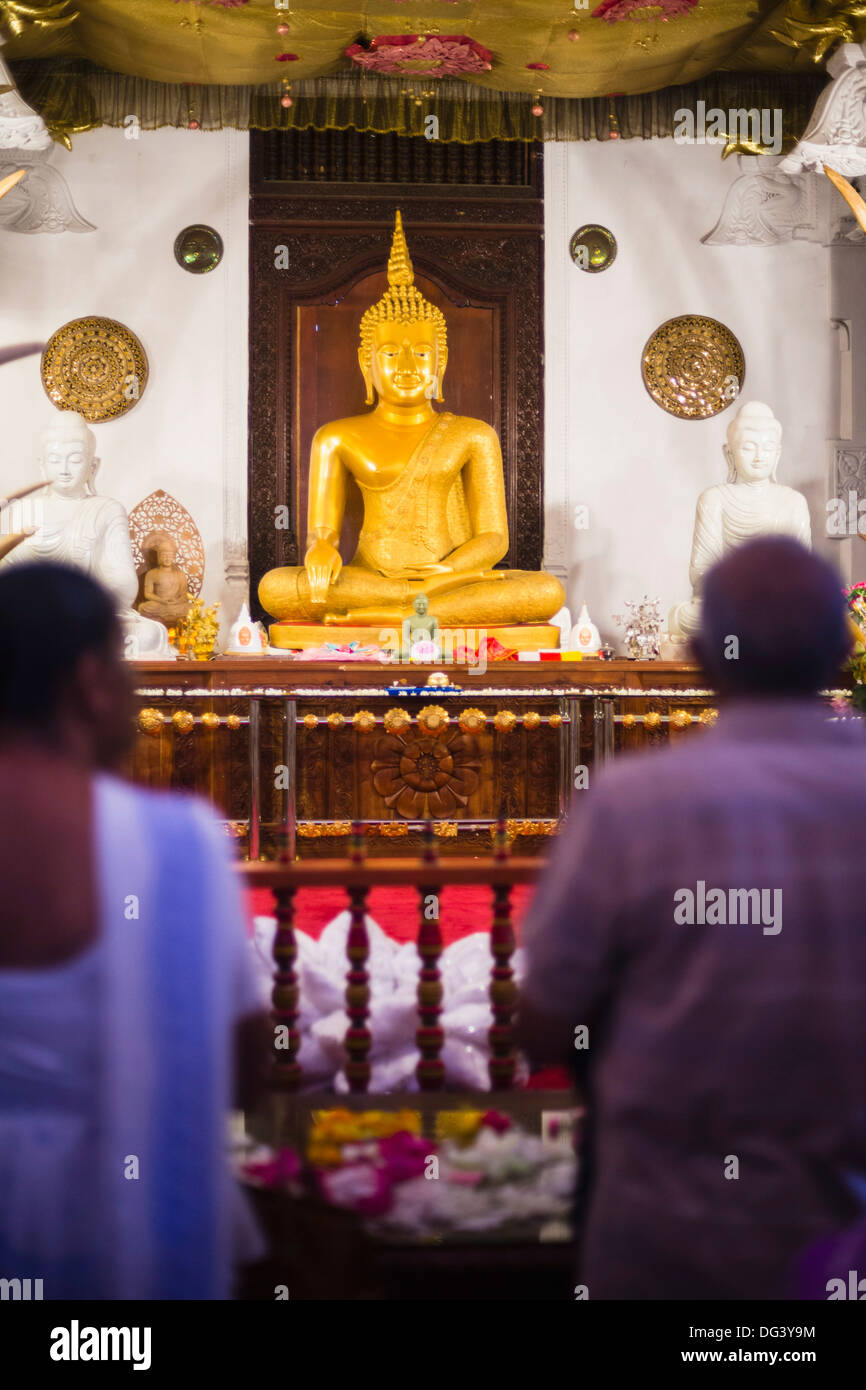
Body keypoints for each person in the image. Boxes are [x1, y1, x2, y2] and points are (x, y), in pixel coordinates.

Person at [519, 536, 866, 1300]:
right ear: (846, 650)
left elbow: (545, 1020)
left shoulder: (631, 804)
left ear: (702, 656)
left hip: (665, 1233)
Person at [0, 562, 266, 1299]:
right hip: (132, 1239)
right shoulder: (175, 843)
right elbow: (247, 1071)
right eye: (123, 663)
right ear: (91, 679)